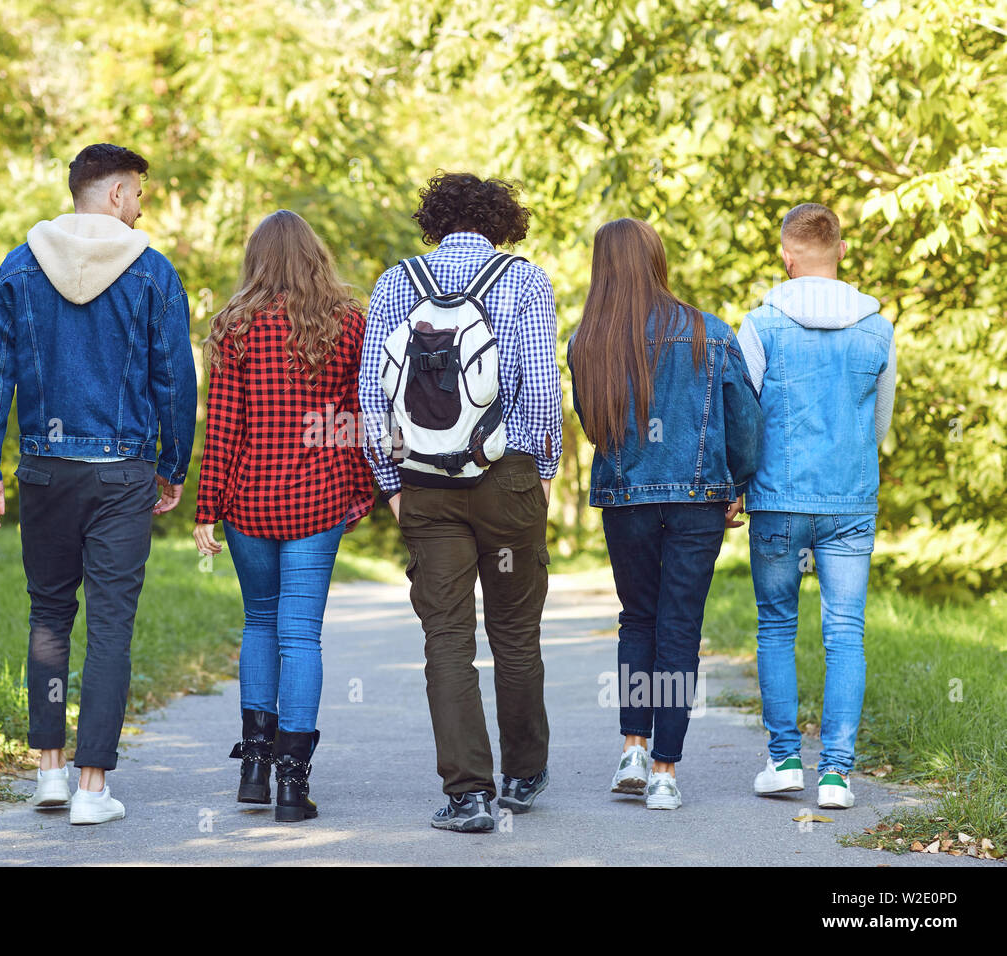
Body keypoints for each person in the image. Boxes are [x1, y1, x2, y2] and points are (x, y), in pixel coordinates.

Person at [0, 143, 196, 825]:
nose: (141, 207)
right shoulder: (154, 273)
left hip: (44, 467)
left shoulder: (18, 266)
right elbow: (175, 382)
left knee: (48, 617)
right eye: (140, 194)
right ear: (118, 193)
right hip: (123, 471)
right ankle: (92, 787)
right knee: (110, 626)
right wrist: (172, 465)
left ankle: (48, 773)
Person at [359, 173, 563, 833]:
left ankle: (467, 795)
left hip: (425, 483)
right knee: (515, 632)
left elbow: (371, 392)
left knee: (447, 637)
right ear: (502, 221)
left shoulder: (398, 281)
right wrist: (545, 472)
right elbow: (537, 387)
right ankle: (524, 776)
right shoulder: (525, 280)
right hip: (508, 477)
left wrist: (390, 483)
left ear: (434, 221)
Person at [568, 217, 762, 811]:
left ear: (604, 269)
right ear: (657, 261)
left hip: (626, 500)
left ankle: (631, 746)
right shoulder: (711, 334)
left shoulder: (587, 343)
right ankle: (666, 772)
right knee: (680, 628)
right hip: (698, 501)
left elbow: (593, 425)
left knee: (638, 620)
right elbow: (747, 426)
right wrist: (739, 482)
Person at [194, 210, 373, 823]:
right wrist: (360, 491)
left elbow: (222, 428)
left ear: (257, 260)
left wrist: (206, 509)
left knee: (258, 625)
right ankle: (293, 786)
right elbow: (358, 418)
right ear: (314, 256)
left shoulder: (232, 326)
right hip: (317, 498)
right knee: (301, 636)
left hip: (248, 499)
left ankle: (253, 769)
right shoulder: (349, 323)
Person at [738, 203, 896, 810]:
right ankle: (836, 776)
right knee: (845, 632)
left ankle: (782, 763)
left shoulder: (760, 324)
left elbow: (744, 422)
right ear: (842, 252)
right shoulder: (877, 328)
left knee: (777, 627)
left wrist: (735, 487)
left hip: (778, 503)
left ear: (786, 255)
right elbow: (878, 424)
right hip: (850, 501)